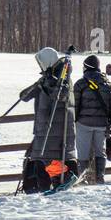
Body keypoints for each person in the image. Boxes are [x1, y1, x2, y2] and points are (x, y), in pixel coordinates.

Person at [19, 47, 77, 193]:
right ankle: (50, 185)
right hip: (44, 126)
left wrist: (51, 83)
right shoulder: (46, 78)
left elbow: (60, 96)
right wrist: (42, 83)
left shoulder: (64, 78)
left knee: (46, 159)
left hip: (55, 126)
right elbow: (24, 96)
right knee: (40, 159)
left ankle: (62, 178)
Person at [72, 54, 111, 183]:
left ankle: (83, 178)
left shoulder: (80, 84)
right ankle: (100, 177)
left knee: (83, 153)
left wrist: (76, 119)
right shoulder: (108, 84)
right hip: (102, 124)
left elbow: (75, 105)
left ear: (86, 67)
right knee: (100, 152)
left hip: (84, 123)